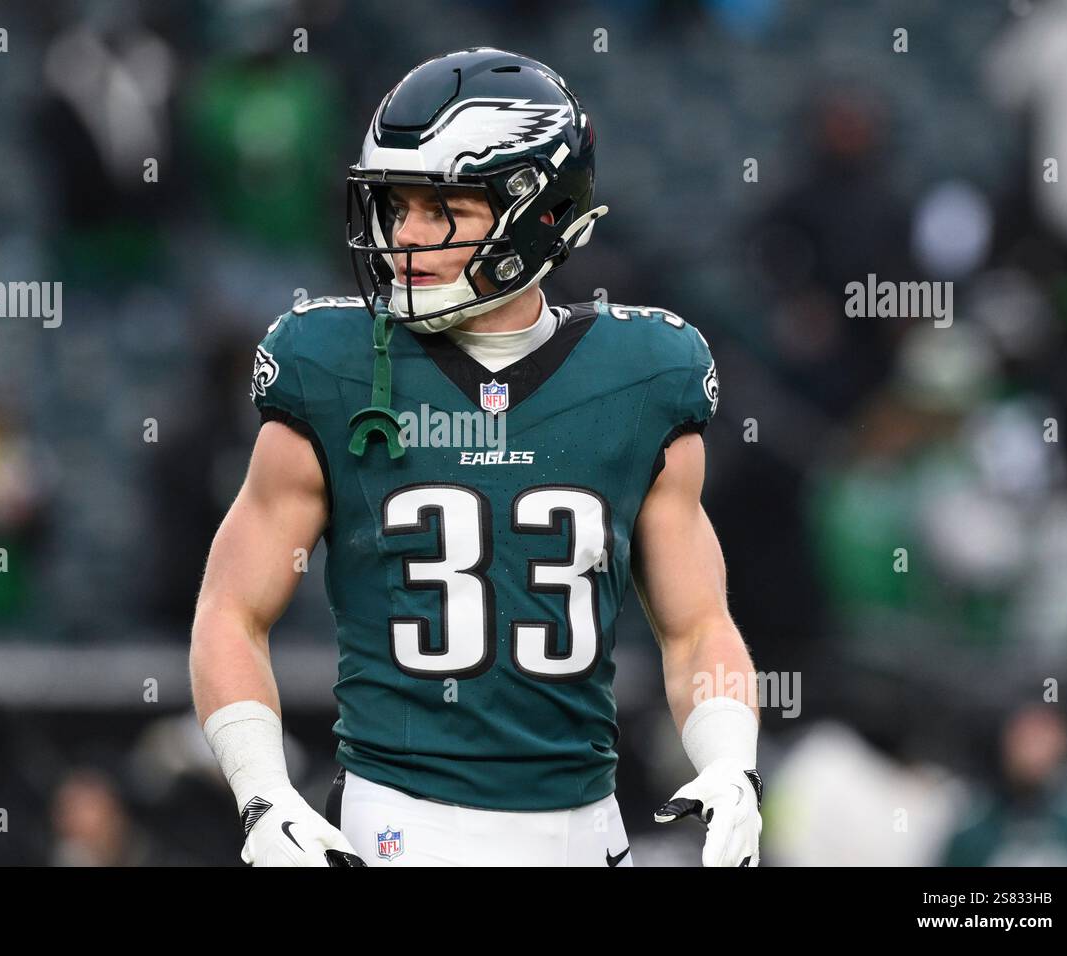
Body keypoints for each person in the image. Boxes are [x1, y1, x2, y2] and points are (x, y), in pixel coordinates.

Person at [190, 47, 761, 866]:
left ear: (536, 210)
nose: (406, 235)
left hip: (588, 832)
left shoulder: (642, 376)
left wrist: (732, 762)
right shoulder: (334, 365)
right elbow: (229, 611)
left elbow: (699, 624)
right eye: (395, 207)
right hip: (398, 826)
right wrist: (261, 793)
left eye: (440, 207)